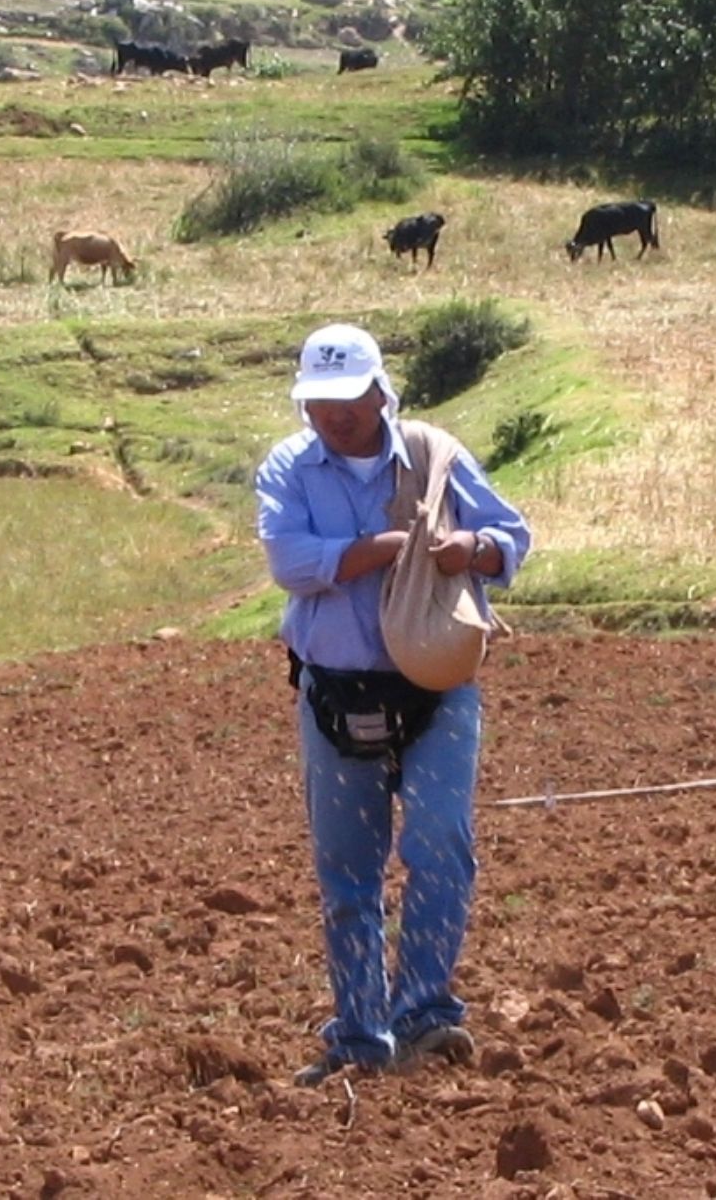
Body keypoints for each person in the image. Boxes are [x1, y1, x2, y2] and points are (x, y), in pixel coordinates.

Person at [254, 322, 532, 1087]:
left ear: (381, 392)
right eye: (320, 402)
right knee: (348, 870)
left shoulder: (434, 455)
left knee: (441, 845)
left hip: (438, 688)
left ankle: (426, 1016)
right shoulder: (288, 467)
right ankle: (360, 1038)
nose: (336, 415)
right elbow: (289, 560)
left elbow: (514, 536)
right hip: (334, 692)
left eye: (349, 399)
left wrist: (468, 550)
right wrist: (385, 548)